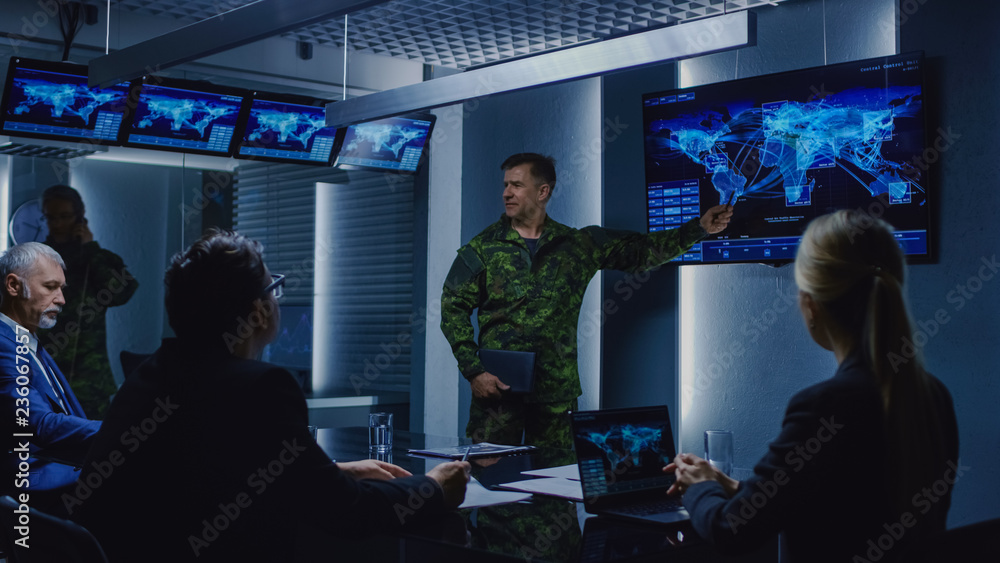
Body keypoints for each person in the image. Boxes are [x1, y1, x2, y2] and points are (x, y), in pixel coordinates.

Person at [70, 230, 469, 563]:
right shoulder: (261, 387)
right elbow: (345, 512)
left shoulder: (151, 373)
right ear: (259, 311)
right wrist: (433, 488)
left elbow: (205, 471)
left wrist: (328, 470)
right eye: (274, 288)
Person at [664, 210, 959, 562]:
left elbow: (732, 531)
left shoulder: (826, 406)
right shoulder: (933, 395)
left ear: (811, 305)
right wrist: (735, 488)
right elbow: (842, 508)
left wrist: (699, 489)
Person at [441, 153, 733, 449]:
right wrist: (474, 371)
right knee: (492, 486)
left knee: (556, 487)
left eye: (516, 185)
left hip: (555, 397)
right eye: (505, 185)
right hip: (497, 397)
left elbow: (643, 252)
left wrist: (698, 229)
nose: (506, 193)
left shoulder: (576, 245)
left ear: (543, 192)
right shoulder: (483, 247)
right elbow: (452, 307)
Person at [0, 242, 101, 510]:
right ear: (13, 286)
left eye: (62, 289)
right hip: (33, 490)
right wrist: (115, 430)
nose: (61, 299)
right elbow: (38, 424)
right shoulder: (2, 343)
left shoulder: (28, 339)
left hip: (62, 471)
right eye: (50, 287)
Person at [40, 184, 139, 418]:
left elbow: (121, 294)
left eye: (64, 217)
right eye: (51, 217)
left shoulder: (99, 258)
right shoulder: (36, 260)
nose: (57, 225)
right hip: (44, 375)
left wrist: (90, 250)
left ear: (79, 217)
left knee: (92, 448)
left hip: (89, 380)